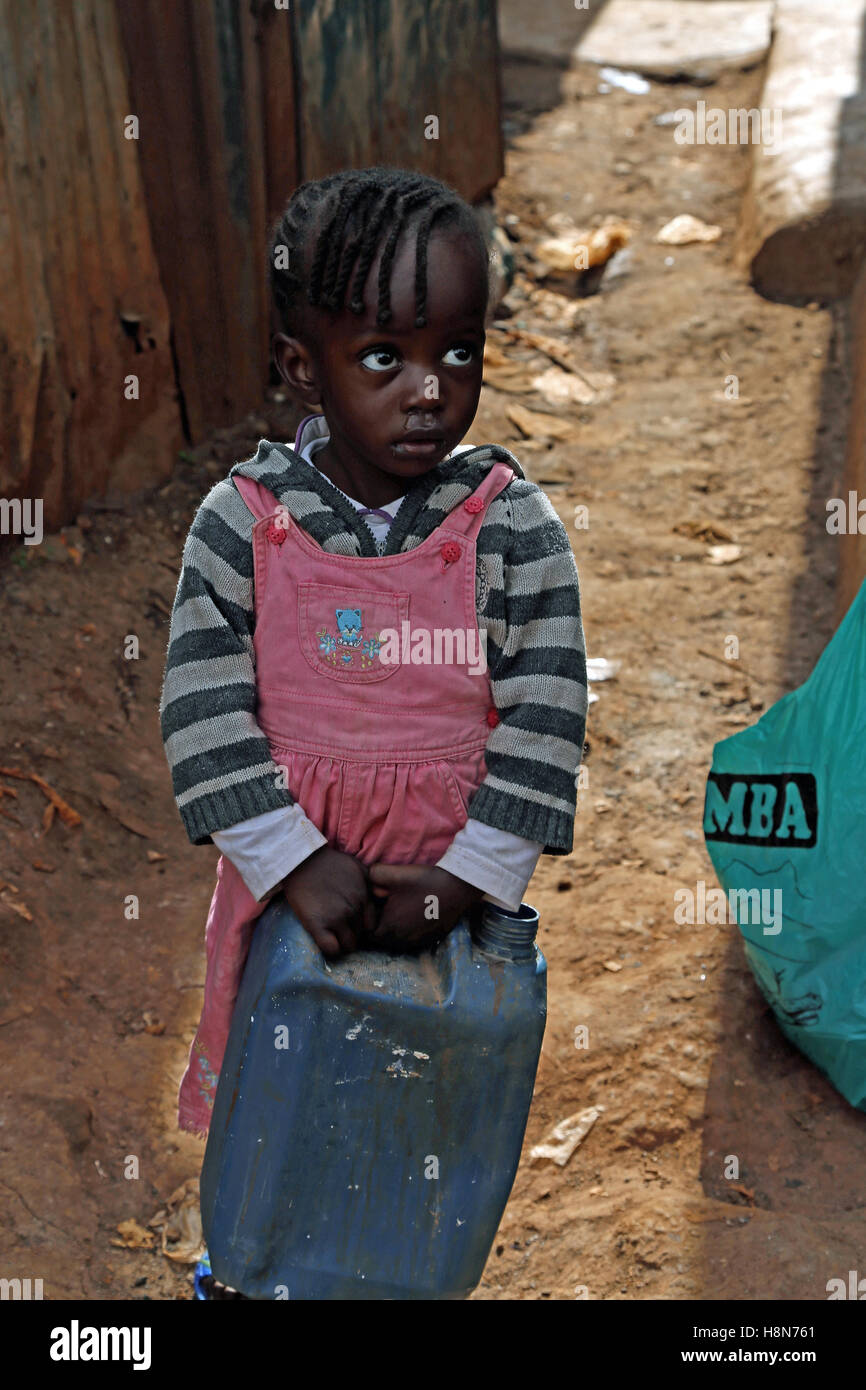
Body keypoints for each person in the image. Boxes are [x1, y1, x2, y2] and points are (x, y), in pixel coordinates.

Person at [159, 167, 588, 1142]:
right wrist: (292, 861)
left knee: (413, 1135)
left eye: (458, 351)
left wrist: (468, 876)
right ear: (302, 368)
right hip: (290, 906)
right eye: (385, 356)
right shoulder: (242, 526)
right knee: (279, 1120)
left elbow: (548, 713)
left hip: (448, 900)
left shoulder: (509, 528)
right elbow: (201, 709)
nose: (432, 390)